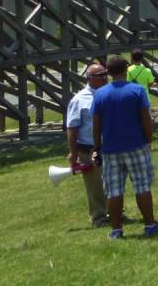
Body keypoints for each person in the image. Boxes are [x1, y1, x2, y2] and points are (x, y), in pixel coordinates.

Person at [93, 56, 158, 239]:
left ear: (109, 72)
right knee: (142, 186)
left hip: (111, 148)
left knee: (114, 191)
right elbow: (146, 118)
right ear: (125, 69)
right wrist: (148, 140)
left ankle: (116, 230)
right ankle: (150, 224)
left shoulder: (100, 94)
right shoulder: (137, 90)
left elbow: (96, 124)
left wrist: (97, 147)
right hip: (136, 144)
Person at [65, 63, 109, 227]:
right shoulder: (79, 100)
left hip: (110, 147)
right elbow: (72, 128)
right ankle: (98, 218)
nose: (105, 77)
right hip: (89, 149)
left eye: (105, 74)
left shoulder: (109, 94)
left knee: (111, 182)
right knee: (95, 186)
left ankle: (115, 211)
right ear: (90, 79)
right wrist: (73, 153)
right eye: (100, 75)